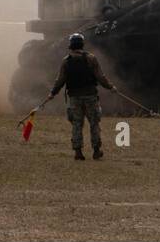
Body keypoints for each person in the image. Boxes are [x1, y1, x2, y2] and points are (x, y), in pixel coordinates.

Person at [47, 33, 116, 161]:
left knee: (77, 124)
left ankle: (78, 152)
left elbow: (60, 80)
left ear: (71, 45)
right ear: (82, 44)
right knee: (94, 123)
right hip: (90, 96)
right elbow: (100, 77)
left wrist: (53, 93)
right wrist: (110, 87)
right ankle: (96, 150)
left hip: (74, 98)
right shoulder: (91, 58)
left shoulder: (66, 61)